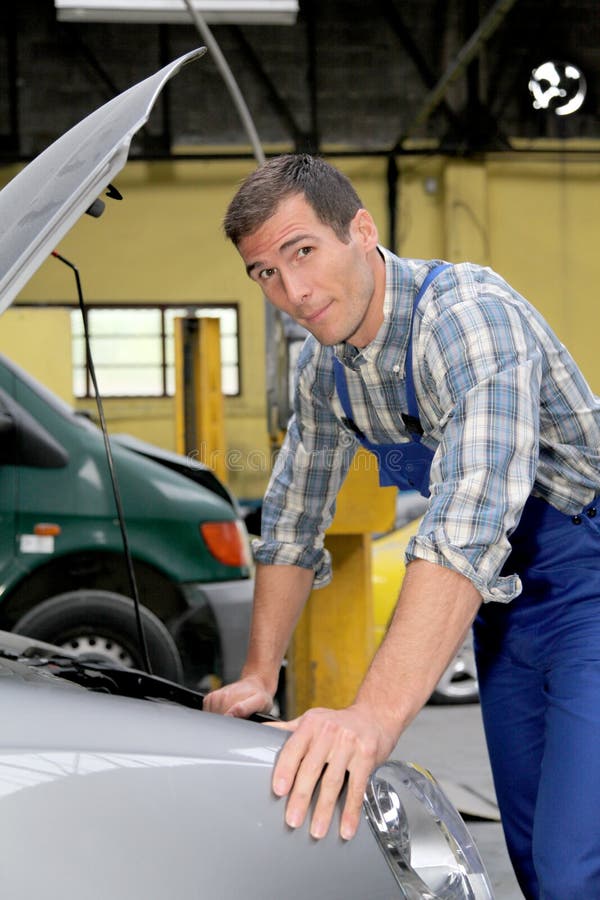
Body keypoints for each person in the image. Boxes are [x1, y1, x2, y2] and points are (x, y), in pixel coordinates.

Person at [204, 154, 600, 899]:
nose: (293, 292)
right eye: (265, 274)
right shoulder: (327, 376)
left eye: (302, 252)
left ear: (361, 229)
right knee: (531, 856)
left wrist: (371, 718)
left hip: (589, 578)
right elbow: (292, 518)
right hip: (504, 607)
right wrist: (261, 674)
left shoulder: (467, 316)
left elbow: (470, 518)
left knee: (576, 861)